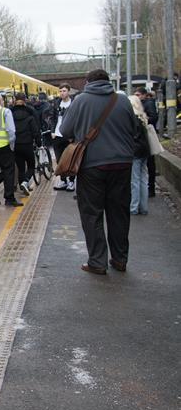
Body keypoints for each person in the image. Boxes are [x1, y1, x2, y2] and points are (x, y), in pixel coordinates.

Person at [59, 69, 137, 275]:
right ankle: (120, 259)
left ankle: (97, 262)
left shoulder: (80, 100)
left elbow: (65, 130)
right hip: (122, 164)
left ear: (87, 82)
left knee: (92, 213)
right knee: (119, 212)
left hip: (91, 165)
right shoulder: (122, 100)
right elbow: (134, 130)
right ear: (108, 81)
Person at [11, 92, 40, 195]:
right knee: (31, 166)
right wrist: (39, 143)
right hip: (27, 144)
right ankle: (25, 182)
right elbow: (35, 131)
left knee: (21, 168)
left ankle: (22, 186)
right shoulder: (30, 113)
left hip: (16, 145)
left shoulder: (10, 112)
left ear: (15, 99)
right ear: (25, 100)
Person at [128, 95, 150, 215]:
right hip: (144, 151)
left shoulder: (132, 119)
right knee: (143, 179)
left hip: (135, 152)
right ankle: (144, 207)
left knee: (134, 180)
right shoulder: (142, 117)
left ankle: (133, 207)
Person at [50, 83, 75, 191]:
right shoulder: (56, 104)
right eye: (60, 91)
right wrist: (52, 131)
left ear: (68, 91)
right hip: (57, 135)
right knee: (60, 160)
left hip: (69, 136)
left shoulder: (74, 103)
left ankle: (72, 181)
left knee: (71, 159)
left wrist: (73, 134)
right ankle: (64, 181)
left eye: (64, 91)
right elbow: (53, 118)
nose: (62, 93)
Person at [134, 86, 158, 197]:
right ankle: (149, 188)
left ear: (144, 95)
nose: (136, 97)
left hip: (147, 136)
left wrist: (143, 118)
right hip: (143, 136)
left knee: (149, 163)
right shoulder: (141, 104)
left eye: (138, 95)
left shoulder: (148, 104)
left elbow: (153, 118)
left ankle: (151, 187)